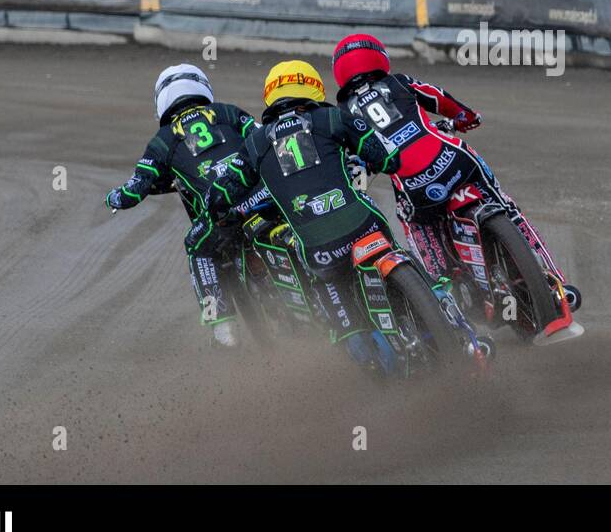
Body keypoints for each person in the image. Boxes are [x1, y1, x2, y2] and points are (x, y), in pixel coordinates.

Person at [329, 33, 570, 337]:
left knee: (423, 246)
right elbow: (440, 98)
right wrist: (466, 118)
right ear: (379, 56)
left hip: (413, 188)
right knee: (508, 209)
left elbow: (357, 161)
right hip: (455, 158)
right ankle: (557, 282)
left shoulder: (343, 116)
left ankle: (450, 305)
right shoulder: (400, 82)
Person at [188, 59, 404, 372]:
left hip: (318, 247)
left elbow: (223, 192)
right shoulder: (333, 117)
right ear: (314, 87)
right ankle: (430, 305)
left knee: (330, 293)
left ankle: (357, 341)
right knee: (392, 246)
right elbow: (386, 158)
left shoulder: (256, 143)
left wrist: (218, 210)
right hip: (364, 225)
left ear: (270, 97)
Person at [105, 64, 258, 348]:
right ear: (202, 86)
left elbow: (135, 189)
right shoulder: (228, 111)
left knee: (197, 248)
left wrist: (114, 198)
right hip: (263, 196)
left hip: (223, 213)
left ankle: (223, 328)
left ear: (162, 100)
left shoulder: (163, 141)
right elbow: (265, 138)